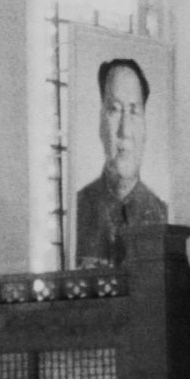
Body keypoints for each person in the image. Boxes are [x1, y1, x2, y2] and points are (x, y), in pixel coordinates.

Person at [74, 58, 168, 266]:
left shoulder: (165, 217)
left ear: (145, 127)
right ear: (100, 122)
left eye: (134, 111)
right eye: (115, 109)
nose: (124, 130)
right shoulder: (75, 212)